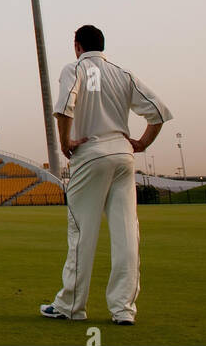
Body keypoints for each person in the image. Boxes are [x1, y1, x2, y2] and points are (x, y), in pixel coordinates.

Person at [41, 25, 172, 327]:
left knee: (81, 232)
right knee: (126, 232)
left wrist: (65, 142)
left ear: (77, 46)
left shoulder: (74, 69)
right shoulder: (123, 74)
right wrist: (142, 143)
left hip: (91, 153)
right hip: (123, 155)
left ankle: (70, 305)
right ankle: (123, 309)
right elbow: (159, 112)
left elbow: (64, 107)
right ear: (102, 45)